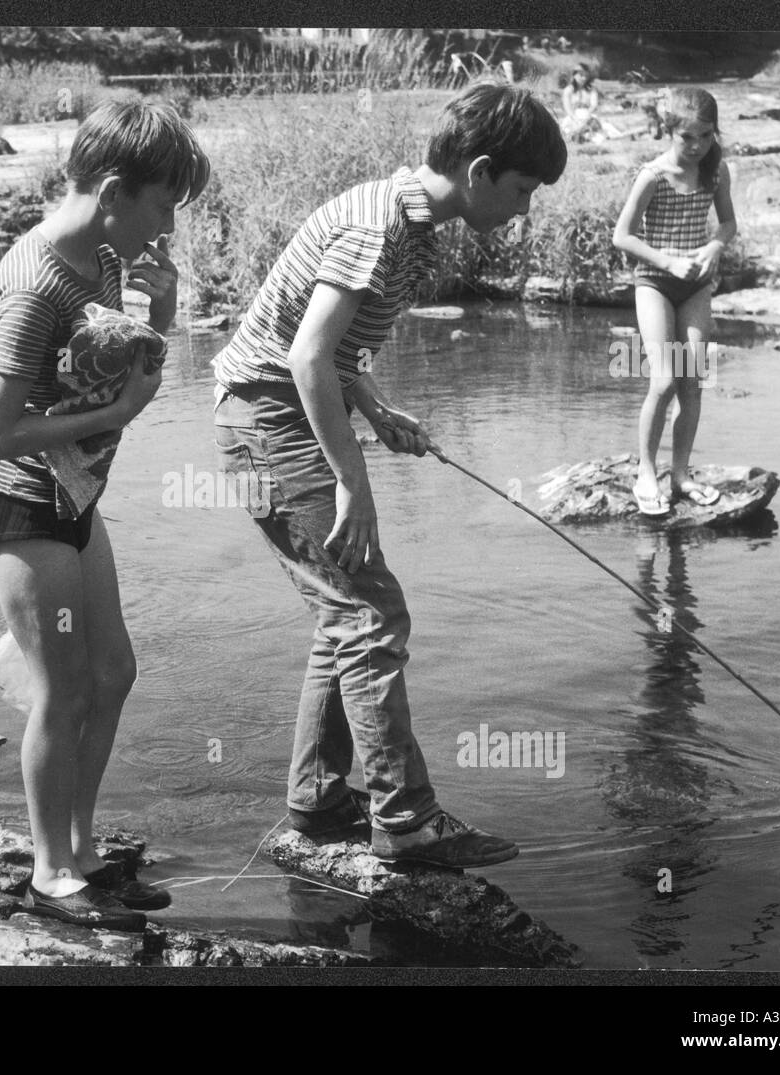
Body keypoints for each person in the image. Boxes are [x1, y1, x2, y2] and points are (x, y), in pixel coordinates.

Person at [211, 81, 566, 869]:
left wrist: (376, 410)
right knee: (373, 615)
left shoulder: (412, 228)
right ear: (478, 171)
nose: (524, 209)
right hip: (268, 421)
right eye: (521, 190)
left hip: (277, 414)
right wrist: (353, 480)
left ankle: (316, 799)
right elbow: (303, 358)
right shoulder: (378, 227)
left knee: (345, 611)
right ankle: (404, 821)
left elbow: (334, 353)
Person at [0, 100, 208, 930]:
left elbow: (110, 361)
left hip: (75, 495)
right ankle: (48, 871)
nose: (169, 224)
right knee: (63, 691)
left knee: (114, 674)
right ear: (113, 188)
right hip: (21, 497)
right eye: (164, 203)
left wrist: (162, 311)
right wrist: (122, 416)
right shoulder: (38, 281)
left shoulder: (104, 258)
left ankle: (81, 848)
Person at [613, 88, 736, 516]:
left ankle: (680, 475)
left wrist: (713, 249)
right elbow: (622, 235)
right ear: (670, 131)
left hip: (697, 285)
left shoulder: (715, 173)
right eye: (687, 137)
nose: (697, 146)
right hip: (654, 283)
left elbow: (728, 224)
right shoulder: (654, 174)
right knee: (664, 380)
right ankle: (647, 473)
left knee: (692, 382)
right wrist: (667, 261)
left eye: (705, 136)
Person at [560, 65, 623, 143]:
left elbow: (594, 105)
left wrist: (587, 114)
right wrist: (575, 118)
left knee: (602, 127)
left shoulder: (592, 90)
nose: (584, 78)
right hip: (573, 116)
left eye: (586, 76)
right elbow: (567, 107)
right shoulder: (568, 90)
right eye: (581, 75)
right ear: (574, 75)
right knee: (569, 130)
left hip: (588, 115)